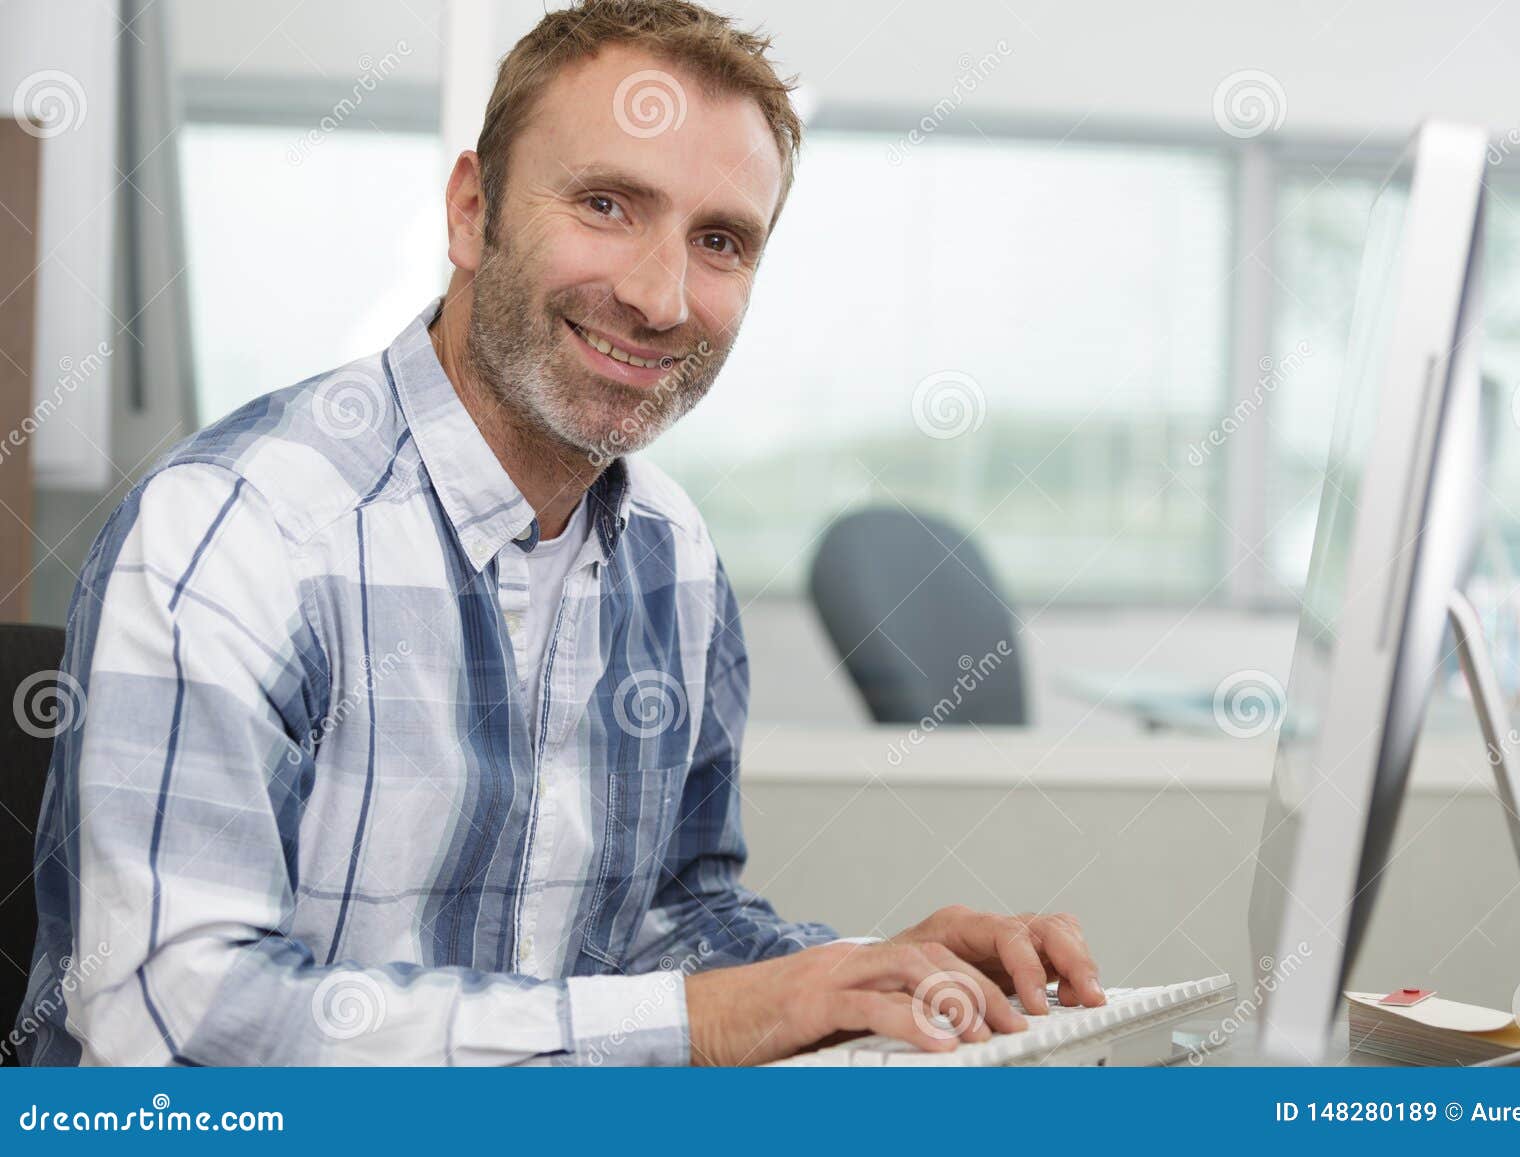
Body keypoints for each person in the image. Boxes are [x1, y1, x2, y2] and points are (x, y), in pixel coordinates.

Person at [18, 0, 1100, 1067]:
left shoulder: (674, 556)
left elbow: (667, 927)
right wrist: (701, 1022)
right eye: (607, 204)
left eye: (719, 240)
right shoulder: (238, 530)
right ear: (470, 211)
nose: (660, 297)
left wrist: (863, 975)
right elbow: (171, 1012)